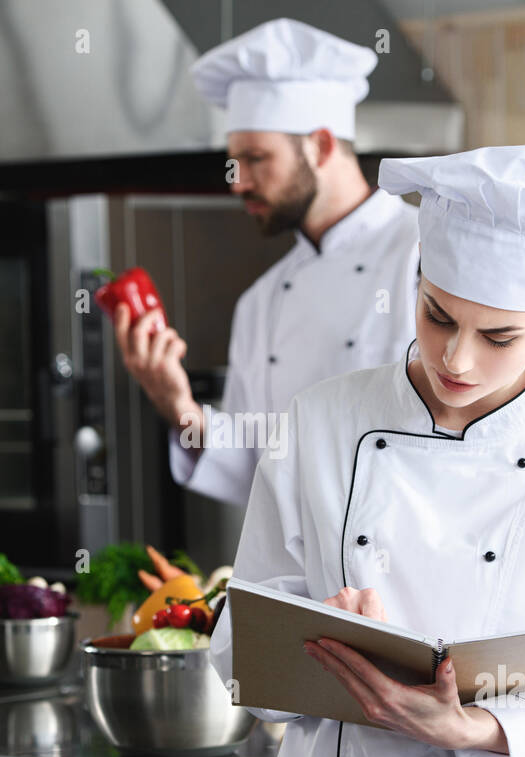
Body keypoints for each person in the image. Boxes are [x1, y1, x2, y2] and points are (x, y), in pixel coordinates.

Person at [209, 138, 525, 757]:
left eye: (500, 335)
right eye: (439, 315)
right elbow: (238, 644)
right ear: (416, 280)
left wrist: (470, 727)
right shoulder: (318, 420)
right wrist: (317, 639)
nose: (458, 359)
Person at [113, 18, 419, 507]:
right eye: (235, 162)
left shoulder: (423, 255)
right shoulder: (262, 301)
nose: (238, 182)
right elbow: (257, 473)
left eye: (256, 158)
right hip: (297, 578)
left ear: (320, 146)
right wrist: (178, 405)